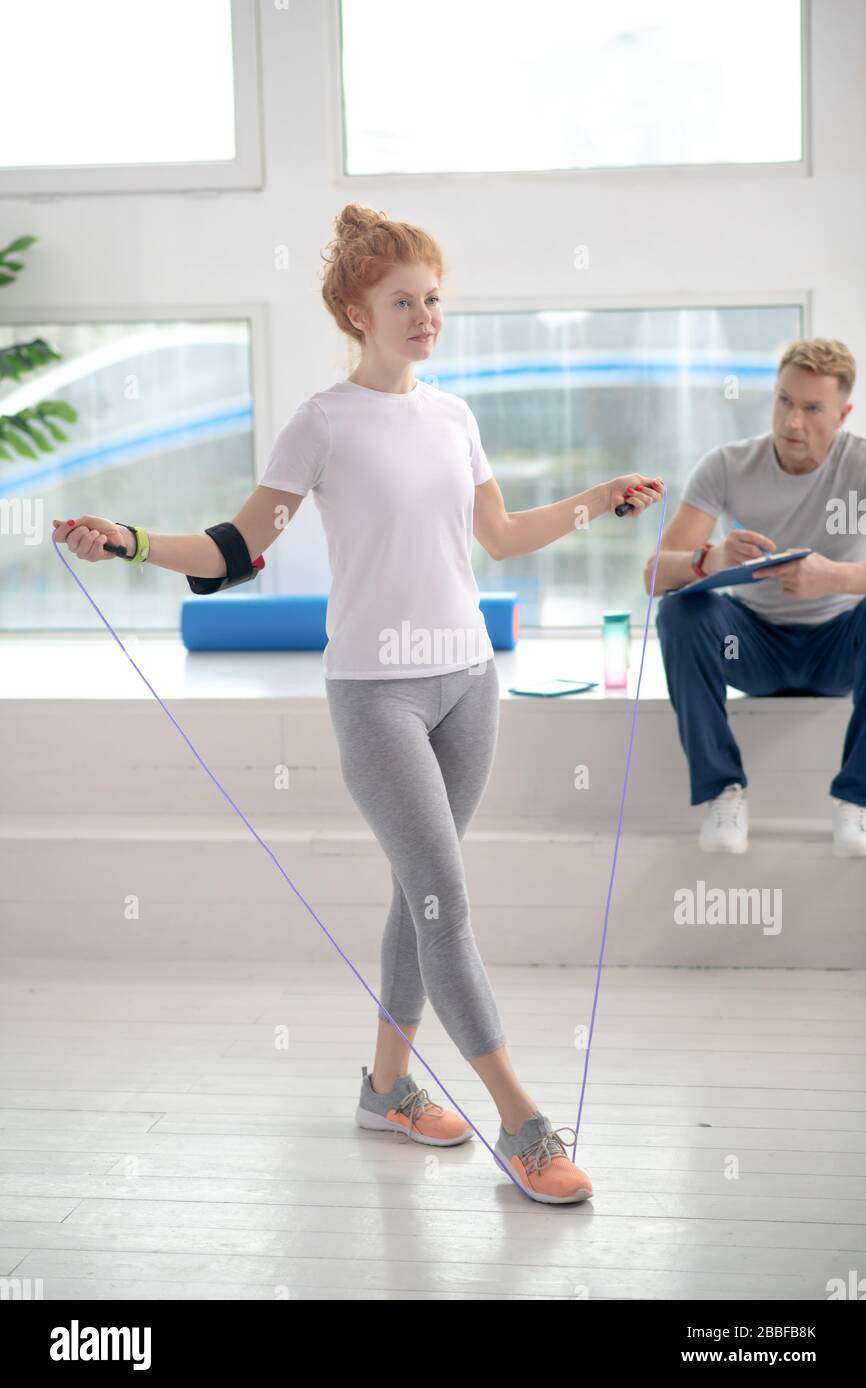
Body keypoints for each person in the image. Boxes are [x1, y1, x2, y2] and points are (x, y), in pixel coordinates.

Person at [52, 201, 663, 1204]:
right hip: (374, 692)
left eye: (433, 300)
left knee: (416, 897)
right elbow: (235, 550)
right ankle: (522, 1123)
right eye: (402, 301)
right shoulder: (323, 424)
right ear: (353, 309)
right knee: (445, 901)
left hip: (468, 682)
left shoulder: (453, 416)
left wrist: (600, 496)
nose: (424, 317)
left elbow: (498, 538)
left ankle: (385, 1090)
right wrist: (128, 539)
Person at [649, 339, 866, 856]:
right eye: (785, 401)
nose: (793, 422)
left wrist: (833, 578)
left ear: (842, 414)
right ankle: (722, 791)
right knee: (680, 609)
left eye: (813, 409)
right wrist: (713, 558)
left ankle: (856, 801)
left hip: (839, 650)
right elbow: (655, 572)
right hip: (752, 649)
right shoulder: (727, 465)